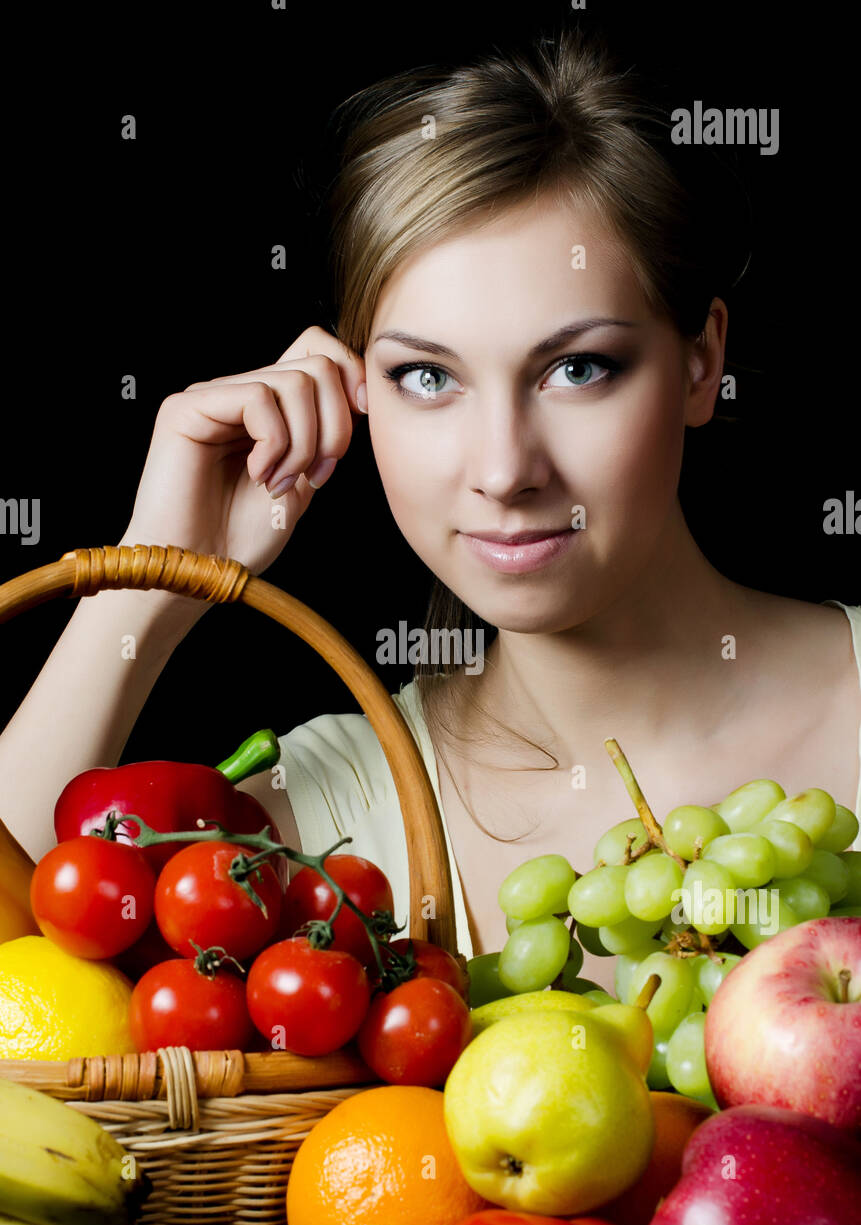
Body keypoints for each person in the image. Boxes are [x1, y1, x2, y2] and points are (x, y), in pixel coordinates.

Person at [1, 29, 858, 996]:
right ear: (357, 388)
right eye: (426, 377)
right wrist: (150, 575)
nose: (503, 469)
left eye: (577, 369)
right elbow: (25, 992)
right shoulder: (320, 816)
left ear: (700, 360)